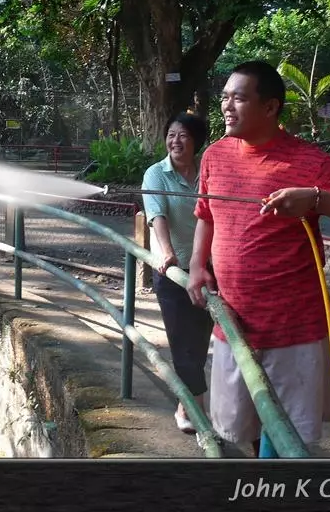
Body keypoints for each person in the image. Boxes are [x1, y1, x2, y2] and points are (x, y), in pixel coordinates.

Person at [186, 60, 330, 456]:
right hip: (234, 322)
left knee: (286, 436)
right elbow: (206, 216)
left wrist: (315, 198)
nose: (226, 106)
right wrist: (196, 267)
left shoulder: (309, 163)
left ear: (270, 107)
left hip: (293, 329)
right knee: (246, 427)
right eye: (224, 97)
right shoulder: (214, 156)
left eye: (239, 98)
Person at [141, 112, 214, 436]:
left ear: (197, 141)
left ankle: (186, 404)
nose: (176, 141)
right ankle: (197, 412)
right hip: (172, 272)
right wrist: (167, 252)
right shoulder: (156, 174)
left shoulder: (209, 174)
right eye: (171, 134)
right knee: (183, 344)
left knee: (199, 344)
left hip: (209, 270)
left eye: (183, 135)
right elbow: (157, 214)